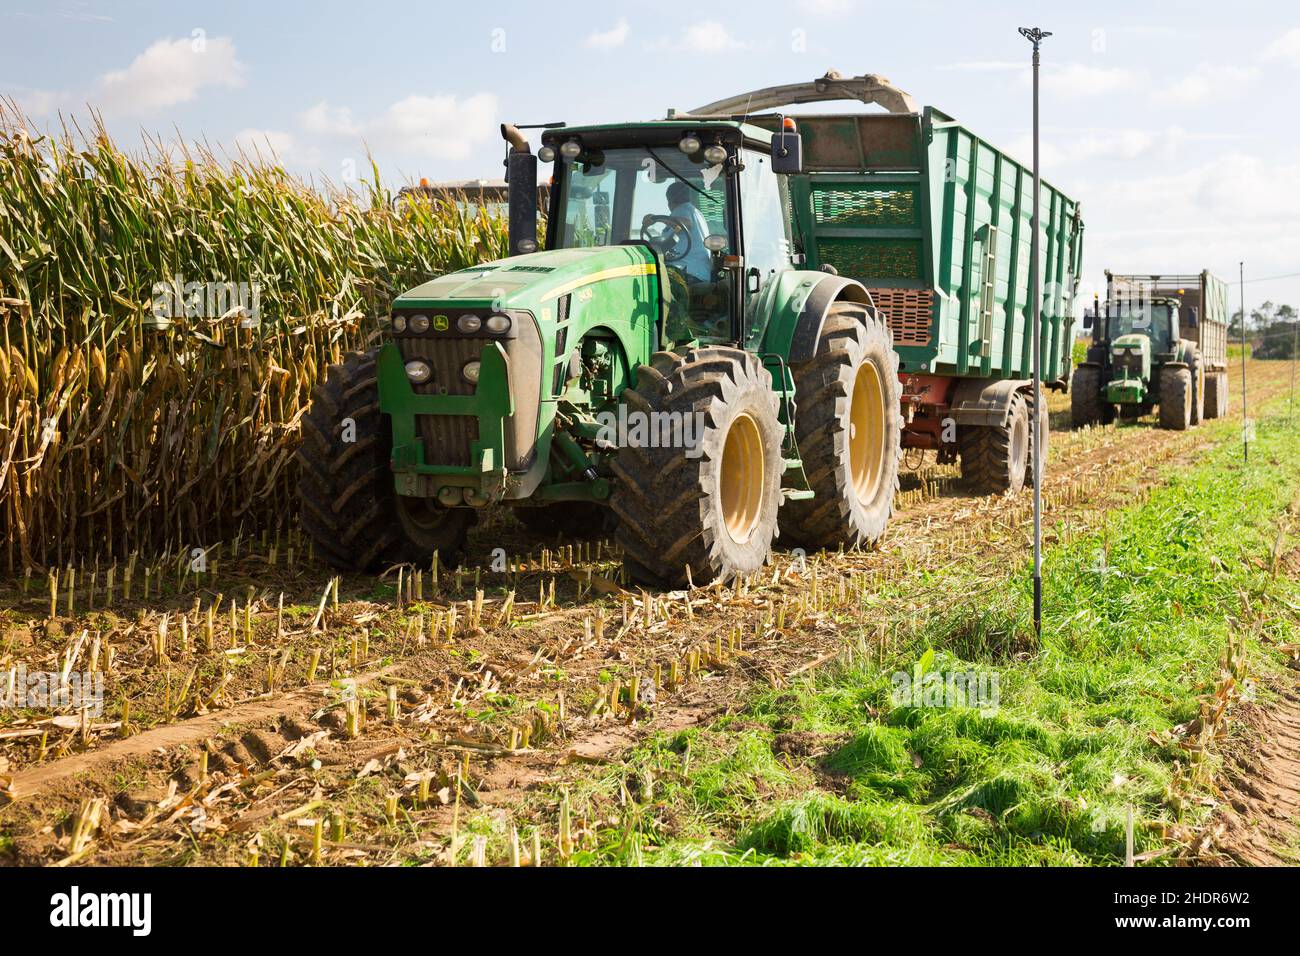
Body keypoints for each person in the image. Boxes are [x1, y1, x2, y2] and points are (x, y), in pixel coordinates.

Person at [665, 180, 713, 282]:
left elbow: (686, 224)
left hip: (686, 272)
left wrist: (658, 219)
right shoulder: (696, 213)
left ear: (669, 202)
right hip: (699, 273)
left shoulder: (682, 209)